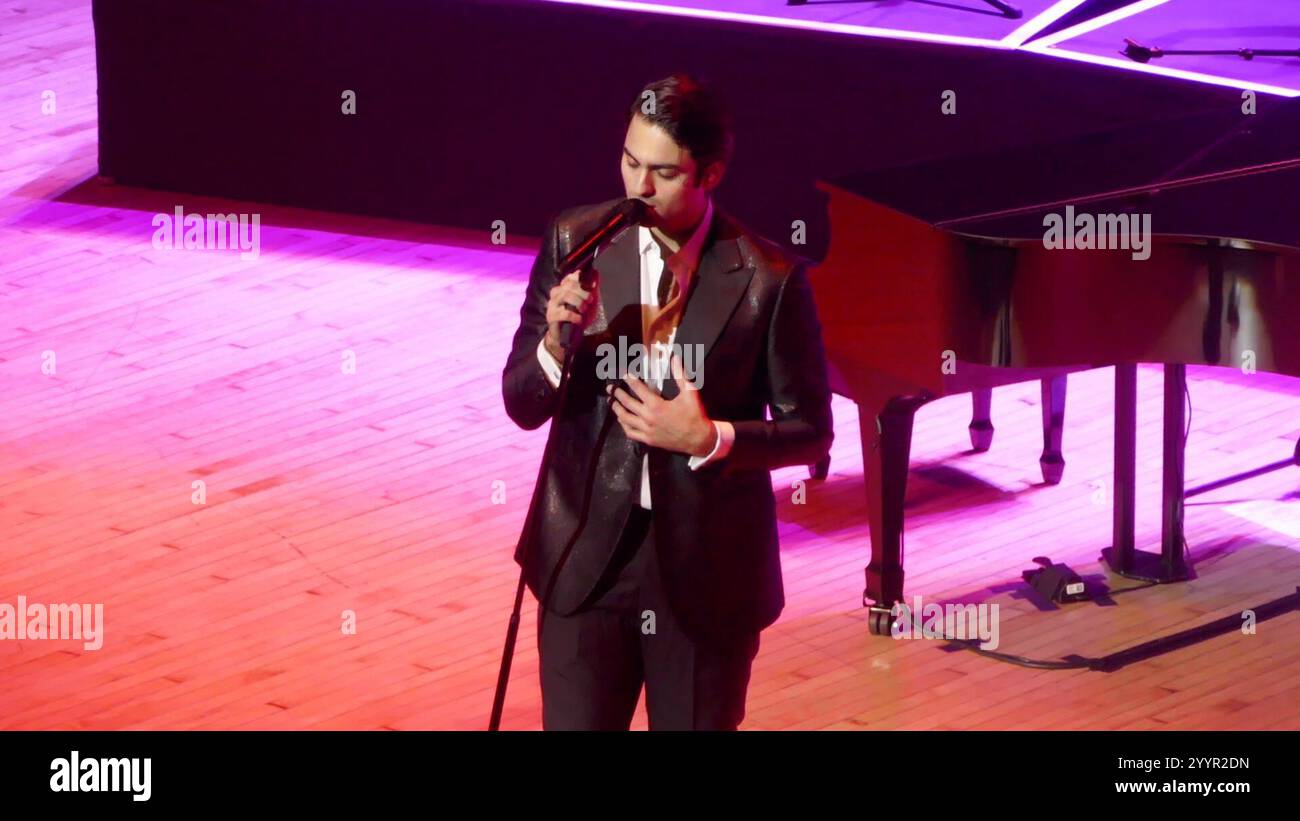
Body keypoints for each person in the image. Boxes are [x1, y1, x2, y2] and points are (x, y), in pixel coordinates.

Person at [501, 73, 833, 730]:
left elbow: (811, 430)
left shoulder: (768, 280)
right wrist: (556, 344)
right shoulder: (579, 243)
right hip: (585, 557)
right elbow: (521, 401)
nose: (638, 187)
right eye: (629, 162)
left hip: (704, 571)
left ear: (709, 173)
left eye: (662, 172)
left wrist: (708, 438)